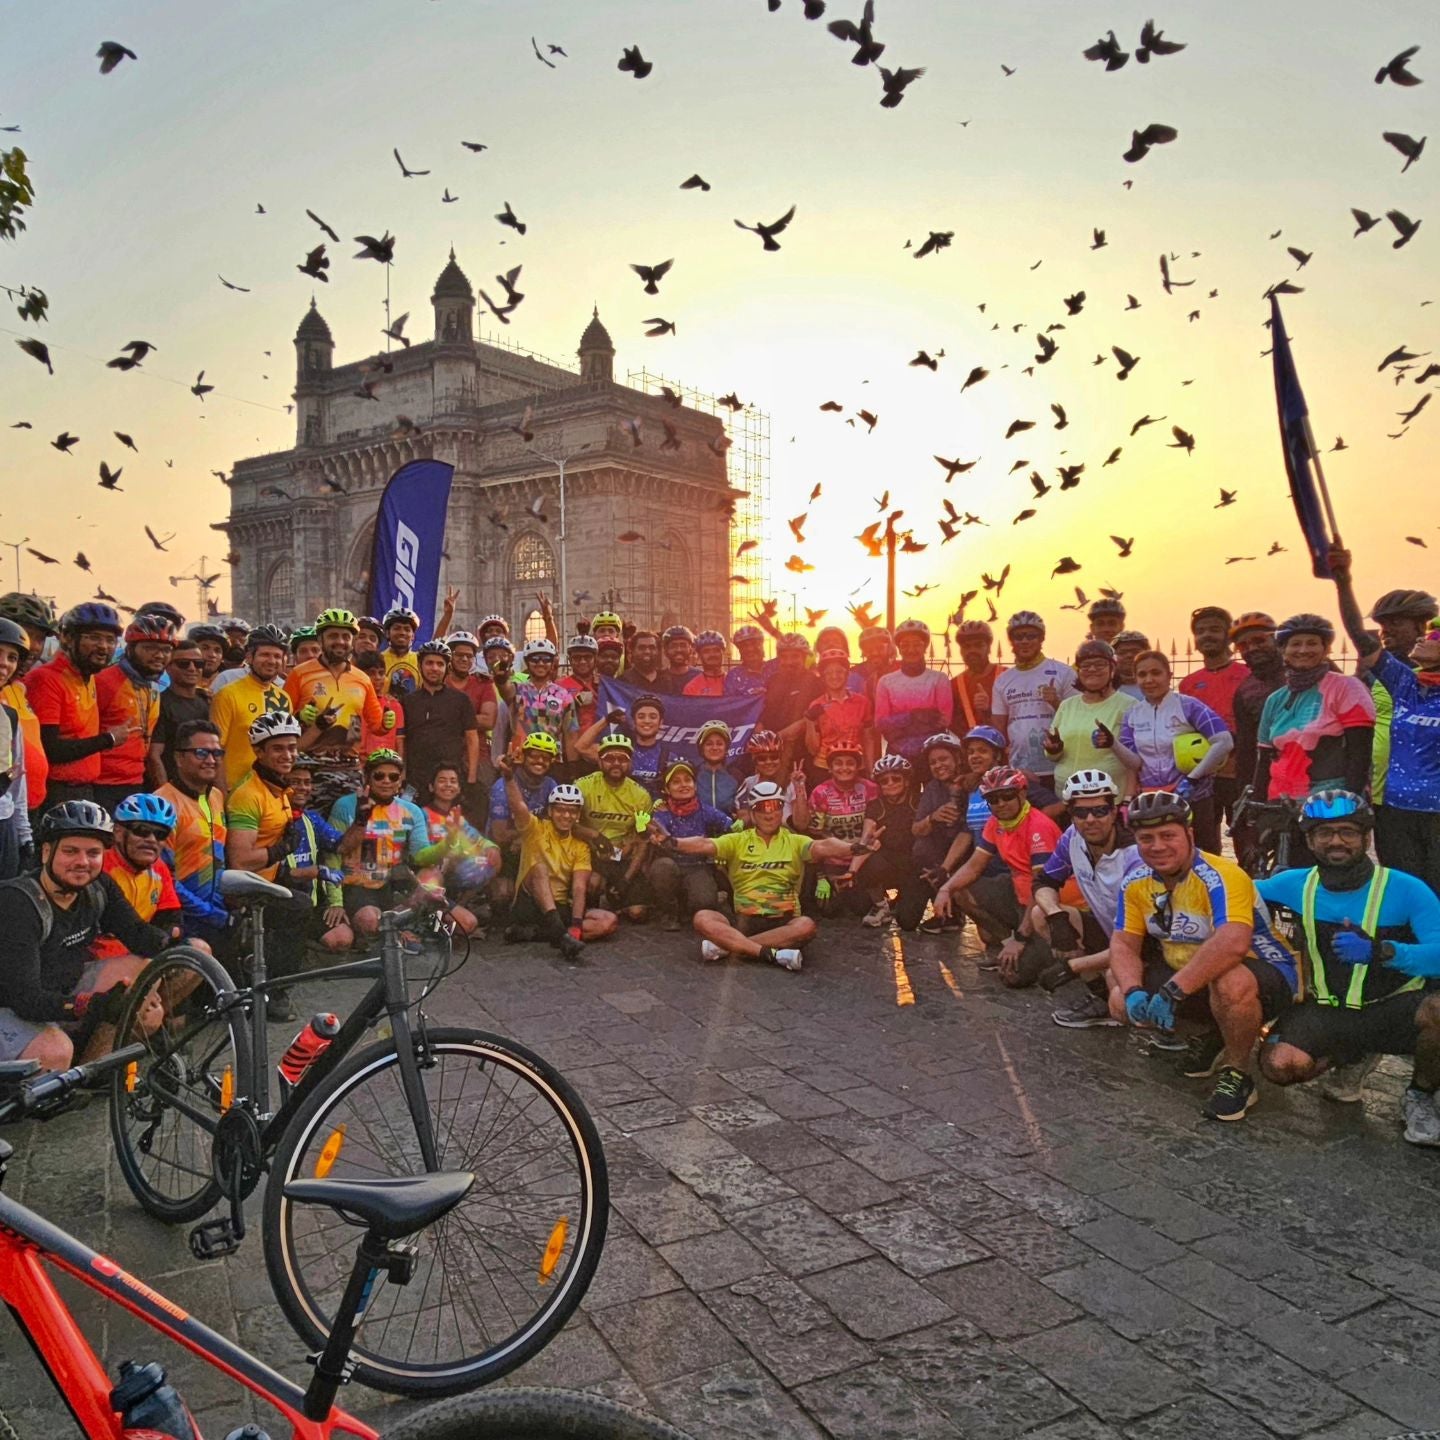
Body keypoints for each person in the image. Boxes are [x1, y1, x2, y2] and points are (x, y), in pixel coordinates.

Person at [1255, 791, 1440, 1144]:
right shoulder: (1294, 883)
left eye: (1347, 832)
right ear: (1309, 840)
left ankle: (1420, 1094)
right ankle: (1352, 1055)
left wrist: (1383, 951)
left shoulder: (1407, 889)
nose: (1336, 841)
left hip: (1391, 1008)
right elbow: (1231, 892)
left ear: (1366, 837)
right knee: (1278, 1067)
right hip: (1328, 1008)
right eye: (1324, 833)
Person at [1111, 790, 1298, 1122]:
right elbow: (1124, 945)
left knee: (1229, 980)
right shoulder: (1136, 882)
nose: (1157, 846)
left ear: (1189, 834)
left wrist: (1172, 992)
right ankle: (1215, 1035)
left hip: (1265, 973)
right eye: (1146, 838)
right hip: (1193, 975)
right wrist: (1131, 990)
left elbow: (1233, 943)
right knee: (1117, 992)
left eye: (1168, 835)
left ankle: (1238, 1075)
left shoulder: (1221, 875)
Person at [0, 801, 176, 1069]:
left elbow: (138, 934)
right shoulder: (18, 903)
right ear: (47, 852)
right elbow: (25, 999)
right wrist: (91, 1005)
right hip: (11, 1005)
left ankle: (89, 1074)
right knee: (55, 1051)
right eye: (70, 851)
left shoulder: (98, 887)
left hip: (60, 989)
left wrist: (176, 948)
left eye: (93, 853)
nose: (83, 862)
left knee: (145, 982)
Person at [659, 779, 878, 971]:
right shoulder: (738, 840)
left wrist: (853, 848)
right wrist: (672, 841)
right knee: (703, 918)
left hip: (783, 921)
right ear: (753, 813)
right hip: (743, 918)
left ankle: (731, 947)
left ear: (782, 810)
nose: (769, 812)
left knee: (806, 926)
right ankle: (770, 953)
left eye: (775, 806)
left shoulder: (794, 841)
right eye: (762, 807)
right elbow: (705, 843)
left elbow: (823, 846)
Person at [1329, 554, 1440, 892]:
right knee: (1404, 893)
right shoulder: (1404, 684)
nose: (1385, 631)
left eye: (1396, 623)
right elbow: (1359, 636)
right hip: (1393, 810)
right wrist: (1343, 580)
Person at [1031, 770, 1143, 1028]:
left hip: (1140, 943)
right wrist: (1056, 916)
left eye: (1100, 811)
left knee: (1121, 997)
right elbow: (1045, 882)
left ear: (1114, 812)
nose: (1090, 819)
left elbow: (1139, 943)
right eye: (1081, 813)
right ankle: (1098, 998)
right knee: (1041, 914)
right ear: (1071, 815)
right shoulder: (1072, 836)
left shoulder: (1134, 856)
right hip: (1108, 929)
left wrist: (1073, 967)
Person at [932, 767, 1062, 987]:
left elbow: (1043, 890)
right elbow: (974, 866)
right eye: (993, 799)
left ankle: (1037, 948)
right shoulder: (995, 823)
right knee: (959, 890)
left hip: (1046, 907)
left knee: (1014, 977)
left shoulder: (1039, 827)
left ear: (1022, 793)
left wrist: (1022, 937)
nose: (1000, 803)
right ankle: (1008, 944)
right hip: (1018, 894)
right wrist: (945, 889)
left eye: (1007, 796)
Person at [226, 711, 306, 1019]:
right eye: (278, 749)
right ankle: (274, 989)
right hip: (246, 888)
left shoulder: (278, 788)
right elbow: (240, 859)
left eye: (292, 747)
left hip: (271, 878)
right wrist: (282, 849)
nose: (288, 755)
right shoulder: (249, 795)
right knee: (298, 908)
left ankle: (262, 971)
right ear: (259, 752)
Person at [1112, 649, 1233, 852]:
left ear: (1169, 675)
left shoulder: (1189, 706)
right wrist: (1111, 744)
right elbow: (1134, 763)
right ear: (1135, 678)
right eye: (1142, 675)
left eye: (1156, 673)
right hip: (1152, 800)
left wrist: (1193, 778)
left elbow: (1224, 741)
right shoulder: (1132, 714)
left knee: (1202, 856)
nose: (1149, 679)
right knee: (1160, 856)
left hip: (1193, 798)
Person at [498, 758, 617, 959]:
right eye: (560, 810)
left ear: (578, 816)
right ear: (551, 811)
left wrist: (577, 926)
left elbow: (579, 887)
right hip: (528, 903)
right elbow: (518, 806)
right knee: (539, 869)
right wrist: (509, 777)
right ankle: (558, 931)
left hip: (560, 906)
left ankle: (539, 934)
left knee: (608, 921)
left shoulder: (580, 845)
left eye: (572, 811)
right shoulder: (535, 829)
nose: (566, 816)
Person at [1254, 613, 1375, 809]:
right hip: (1280, 800)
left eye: (1312, 643)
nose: (1303, 650)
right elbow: (1264, 758)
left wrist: (1351, 799)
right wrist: (1257, 802)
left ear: (1326, 649)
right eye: (1295, 644)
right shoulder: (1275, 699)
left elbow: (1360, 751)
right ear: (1283, 650)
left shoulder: (1346, 687)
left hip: (1331, 798)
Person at [25, 602, 132, 814]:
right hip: (57, 794)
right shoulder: (46, 679)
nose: (104, 646)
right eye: (94, 637)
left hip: (84, 790)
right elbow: (51, 748)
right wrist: (108, 739)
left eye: (110, 640)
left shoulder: (88, 676)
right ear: (67, 638)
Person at [285, 608, 393, 815]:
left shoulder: (362, 679)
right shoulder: (299, 674)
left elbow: (376, 725)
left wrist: (386, 722)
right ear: (321, 639)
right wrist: (298, 717)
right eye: (333, 635)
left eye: (346, 636)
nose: (340, 641)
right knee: (307, 831)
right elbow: (282, 722)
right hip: (308, 770)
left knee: (351, 830)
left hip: (349, 770)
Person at [329, 748, 428, 942]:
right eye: (379, 775)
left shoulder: (412, 811)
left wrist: (447, 848)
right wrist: (335, 901)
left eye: (393, 777)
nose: (386, 781)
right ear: (367, 777)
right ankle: (391, 934)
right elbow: (332, 855)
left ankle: (394, 930)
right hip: (357, 885)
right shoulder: (345, 805)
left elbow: (421, 856)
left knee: (461, 921)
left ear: (400, 781)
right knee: (370, 921)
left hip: (394, 882)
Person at [153, 719, 230, 950]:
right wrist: (209, 913)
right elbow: (163, 877)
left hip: (216, 912)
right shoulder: (162, 803)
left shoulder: (215, 796)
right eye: (201, 753)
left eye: (217, 753)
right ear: (178, 758)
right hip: (181, 917)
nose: (210, 760)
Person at [92, 613, 175, 813]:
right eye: (149, 648)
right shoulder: (104, 681)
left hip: (137, 782)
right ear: (130, 649)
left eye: (166, 650)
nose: (159, 655)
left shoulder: (153, 685)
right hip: (103, 785)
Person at [1179, 606, 1251, 831]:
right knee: (1203, 841)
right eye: (1200, 631)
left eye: (1214, 629)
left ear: (1229, 635)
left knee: (1245, 837)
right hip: (1202, 774)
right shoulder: (1188, 684)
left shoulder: (1247, 675)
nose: (1207, 635)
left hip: (1239, 772)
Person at [92, 794, 185, 959]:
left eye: (161, 834)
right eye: (141, 831)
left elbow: (171, 920)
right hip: (98, 956)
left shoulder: (159, 869)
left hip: (142, 949)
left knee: (199, 951)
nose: (151, 840)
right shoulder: (98, 866)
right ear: (118, 833)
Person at [412, 763, 499, 934]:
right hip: (429, 877)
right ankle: (427, 918)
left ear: (459, 788)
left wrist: (491, 847)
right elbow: (419, 856)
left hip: (454, 876)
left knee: (493, 861)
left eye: (453, 781)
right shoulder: (422, 814)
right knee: (467, 924)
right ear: (431, 786)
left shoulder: (457, 817)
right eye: (442, 781)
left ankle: (458, 906)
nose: (448, 785)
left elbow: (479, 840)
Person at [576, 733, 654, 919]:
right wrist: (594, 835)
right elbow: (568, 825)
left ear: (630, 763)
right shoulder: (582, 786)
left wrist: (626, 880)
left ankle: (617, 898)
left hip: (623, 857)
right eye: (609, 758)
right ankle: (592, 903)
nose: (616, 763)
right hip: (590, 855)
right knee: (593, 883)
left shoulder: (641, 796)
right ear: (600, 762)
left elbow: (643, 840)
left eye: (622, 759)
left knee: (638, 913)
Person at [991, 611, 1076, 782]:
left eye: (1031, 636)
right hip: (1020, 769)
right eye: (1018, 636)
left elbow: (1078, 718)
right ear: (1011, 641)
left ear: (1041, 639)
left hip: (1061, 765)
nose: (1025, 641)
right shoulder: (1003, 680)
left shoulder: (1063, 672)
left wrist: (1056, 702)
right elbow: (998, 729)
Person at [647, 760, 730, 930]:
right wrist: (654, 837)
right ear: (666, 789)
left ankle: (687, 904)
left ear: (695, 785)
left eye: (687, 780)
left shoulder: (706, 810)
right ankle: (668, 912)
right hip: (671, 866)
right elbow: (653, 831)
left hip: (698, 867)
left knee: (704, 903)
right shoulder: (661, 812)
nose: (683, 785)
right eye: (676, 782)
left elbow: (731, 826)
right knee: (662, 867)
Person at [1044, 639, 1134, 795]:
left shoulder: (1128, 705)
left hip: (1108, 800)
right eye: (1085, 666)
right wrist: (1053, 749)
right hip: (1067, 797)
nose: (1092, 669)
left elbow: (1136, 760)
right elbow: (1053, 757)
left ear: (1112, 668)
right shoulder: (1067, 706)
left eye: (1099, 664)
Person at [210, 623, 292, 791]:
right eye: (265, 655)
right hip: (235, 789)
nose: (271, 661)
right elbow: (216, 751)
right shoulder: (228, 694)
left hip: (271, 793)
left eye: (277, 656)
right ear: (249, 657)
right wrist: (222, 795)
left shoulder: (283, 698)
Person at [399, 639, 479, 800]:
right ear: (420, 665)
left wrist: (471, 778)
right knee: (408, 820)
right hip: (415, 780)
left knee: (448, 824)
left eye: (440, 664)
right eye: (429, 663)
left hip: (450, 779)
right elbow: (401, 741)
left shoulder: (461, 700)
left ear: (447, 668)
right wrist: (402, 775)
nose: (434, 668)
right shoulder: (407, 701)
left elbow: (472, 739)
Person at [874, 619, 954, 770]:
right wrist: (915, 716)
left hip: (932, 755)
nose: (911, 650)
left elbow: (944, 720)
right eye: (905, 645)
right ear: (898, 648)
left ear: (925, 646)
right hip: (898, 753)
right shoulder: (886, 682)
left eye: (917, 644)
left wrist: (899, 725)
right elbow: (881, 723)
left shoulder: (939, 679)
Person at [851, 753, 918, 929]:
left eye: (896, 779)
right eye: (884, 781)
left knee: (908, 922)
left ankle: (901, 901)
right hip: (887, 863)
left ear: (907, 781)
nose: (890, 784)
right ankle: (881, 905)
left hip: (913, 865)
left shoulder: (918, 802)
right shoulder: (875, 806)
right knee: (858, 904)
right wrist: (851, 871)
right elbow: (866, 838)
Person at [807, 739, 878, 903]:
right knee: (829, 910)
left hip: (863, 858)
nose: (844, 768)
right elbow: (815, 836)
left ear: (858, 767)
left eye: (850, 763)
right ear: (830, 768)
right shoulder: (821, 793)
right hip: (833, 859)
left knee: (860, 907)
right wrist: (821, 876)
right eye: (838, 763)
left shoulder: (870, 789)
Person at [0, 599, 50, 823]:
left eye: (40, 638)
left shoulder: (20, 689)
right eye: (27, 634)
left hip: (26, 811)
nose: (34, 646)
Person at [1229, 613, 1286, 799]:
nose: (1252, 648)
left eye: (1259, 640)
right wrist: (1245, 793)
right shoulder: (1245, 691)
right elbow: (1246, 750)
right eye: (1243, 645)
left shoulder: (1312, 670)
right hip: (1272, 781)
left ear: (1276, 639)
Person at [494, 638, 579, 763]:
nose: (540, 663)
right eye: (535, 659)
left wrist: (572, 768)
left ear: (552, 663)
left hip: (551, 760)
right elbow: (504, 688)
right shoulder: (517, 690)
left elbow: (570, 735)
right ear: (527, 662)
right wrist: (501, 677)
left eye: (546, 659)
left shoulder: (564, 695)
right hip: (520, 759)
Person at [149, 637, 211, 787]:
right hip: (173, 788)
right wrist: (165, 796)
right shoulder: (160, 704)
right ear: (168, 667)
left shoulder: (207, 701)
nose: (192, 668)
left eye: (198, 663)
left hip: (204, 789)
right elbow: (154, 756)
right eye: (183, 664)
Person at [804, 649, 875, 775]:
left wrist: (870, 771)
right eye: (829, 673)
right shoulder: (816, 705)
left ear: (847, 674)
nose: (834, 676)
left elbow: (868, 739)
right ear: (823, 677)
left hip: (855, 766)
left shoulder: (863, 702)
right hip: (825, 767)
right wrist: (809, 721)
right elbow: (813, 750)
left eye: (839, 671)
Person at [0, 620, 34, 880]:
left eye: (12, 657)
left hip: (5, 825)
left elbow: (17, 786)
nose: (5, 664)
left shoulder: (9, 717)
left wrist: (24, 837)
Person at [760, 634, 823, 760]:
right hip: (771, 752)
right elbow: (762, 710)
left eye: (795, 656)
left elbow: (810, 718)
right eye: (784, 657)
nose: (789, 662)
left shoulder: (815, 682)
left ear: (804, 657)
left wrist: (778, 737)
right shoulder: (772, 680)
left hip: (801, 752)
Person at [735, 730, 810, 830]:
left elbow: (801, 825)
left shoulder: (792, 783)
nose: (768, 762)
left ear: (780, 758)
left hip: (788, 840)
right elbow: (744, 818)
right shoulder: (748, 783)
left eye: (774, 757)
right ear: (754, 761)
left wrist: (799, 790)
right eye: (762, 758)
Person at [951, 620, 1006, 732]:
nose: (972, 651)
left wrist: (989, 708)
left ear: (989, 648)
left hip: (1004, 745)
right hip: (968, 747)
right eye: (966, 646)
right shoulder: (954, 684)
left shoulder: (1007, 676)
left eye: (978, 645)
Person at [693, 720, 740, 813]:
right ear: (701, 749)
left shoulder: (737, 776)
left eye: (719, 744)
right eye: (709, 744)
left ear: (726, 748)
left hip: (729, 827)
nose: (714, 748)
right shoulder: (692, 774)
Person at [379, 606, 423, 698]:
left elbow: (435, 645)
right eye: (397, 628)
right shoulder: (378, 659)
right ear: (387, 633)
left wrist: (447, 615)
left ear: (413, 636)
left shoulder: (420, 659)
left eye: (407, 629)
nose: (402, 632)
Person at [561, 634, 602, 731]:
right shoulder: (559, 686)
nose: (582, 661)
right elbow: (552, 718)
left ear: (595, 659)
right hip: (572, 741)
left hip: (601, 741)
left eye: (587, 657)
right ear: (570, 660)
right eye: (577, 658)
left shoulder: (605, 684)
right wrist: (575, 703)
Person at [856, 625, 898, 708]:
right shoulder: (864, 680)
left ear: (889, 648)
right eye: (869, 650)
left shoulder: (901, 672)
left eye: (880, 648)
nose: (875, 653)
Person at [724, 625, 769, 698]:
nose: (750, 649)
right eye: (744, 646)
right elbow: (729, 705)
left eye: (754, 643)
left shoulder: (774, 669)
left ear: (762, 645)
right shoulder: (733, 676)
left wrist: (771, 629)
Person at [682, 631, 729, 698]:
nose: (712, 654)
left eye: (716, 650)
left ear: (723, 653)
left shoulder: (734, 683)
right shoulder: (692, 688)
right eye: (706, 651)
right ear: (699, 656)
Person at [656, 624, 700, 695]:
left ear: (691, 649)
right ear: (665, 651)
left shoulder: (700, 678)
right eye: (673, 646)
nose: (678, 650)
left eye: (683, 645)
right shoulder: (658, 680)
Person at [1112, 630, 1150, 701]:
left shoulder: (1157, 686)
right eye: (1122, 652)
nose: (1129, 655)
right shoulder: (1105, 689)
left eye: (1135, 651)